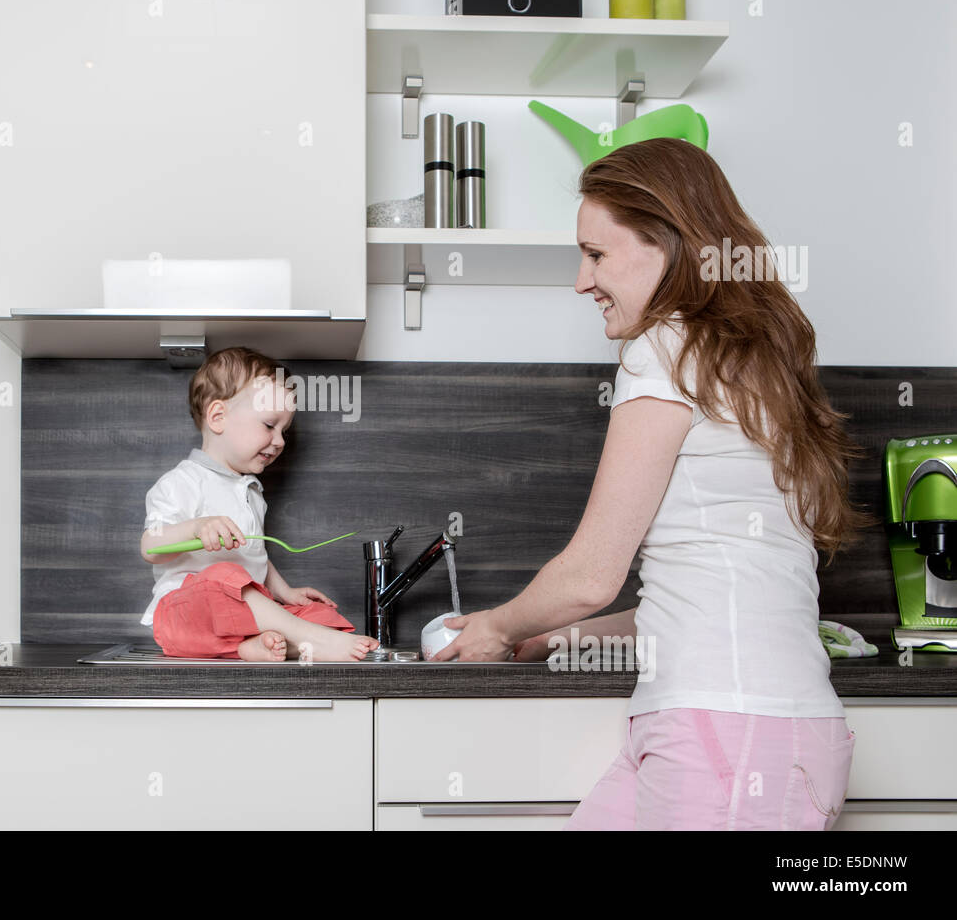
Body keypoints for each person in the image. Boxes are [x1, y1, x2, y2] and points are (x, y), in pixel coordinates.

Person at [433, 138, 873, 830]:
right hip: (746, 731)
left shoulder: (664, 349)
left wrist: (495, 625)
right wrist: (554, 639)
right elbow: (694, 598)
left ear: (667, 246)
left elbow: (588, 576)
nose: (582, 281)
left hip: (730, 738)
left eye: (597, 254)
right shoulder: (751, 367)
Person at [139, 347, 379, 662]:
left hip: (239, 619)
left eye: (284, 431)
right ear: (218, 417)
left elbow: (254, 554)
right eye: (269, 425)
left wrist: (285, 593)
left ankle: (256, 646)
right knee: (222, 577)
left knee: (322, 614)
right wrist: (197, 527)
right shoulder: (181, 483)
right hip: (183, 618)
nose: (280, 440)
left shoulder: (250, 489)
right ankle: (305, 639)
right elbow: (150, 546)